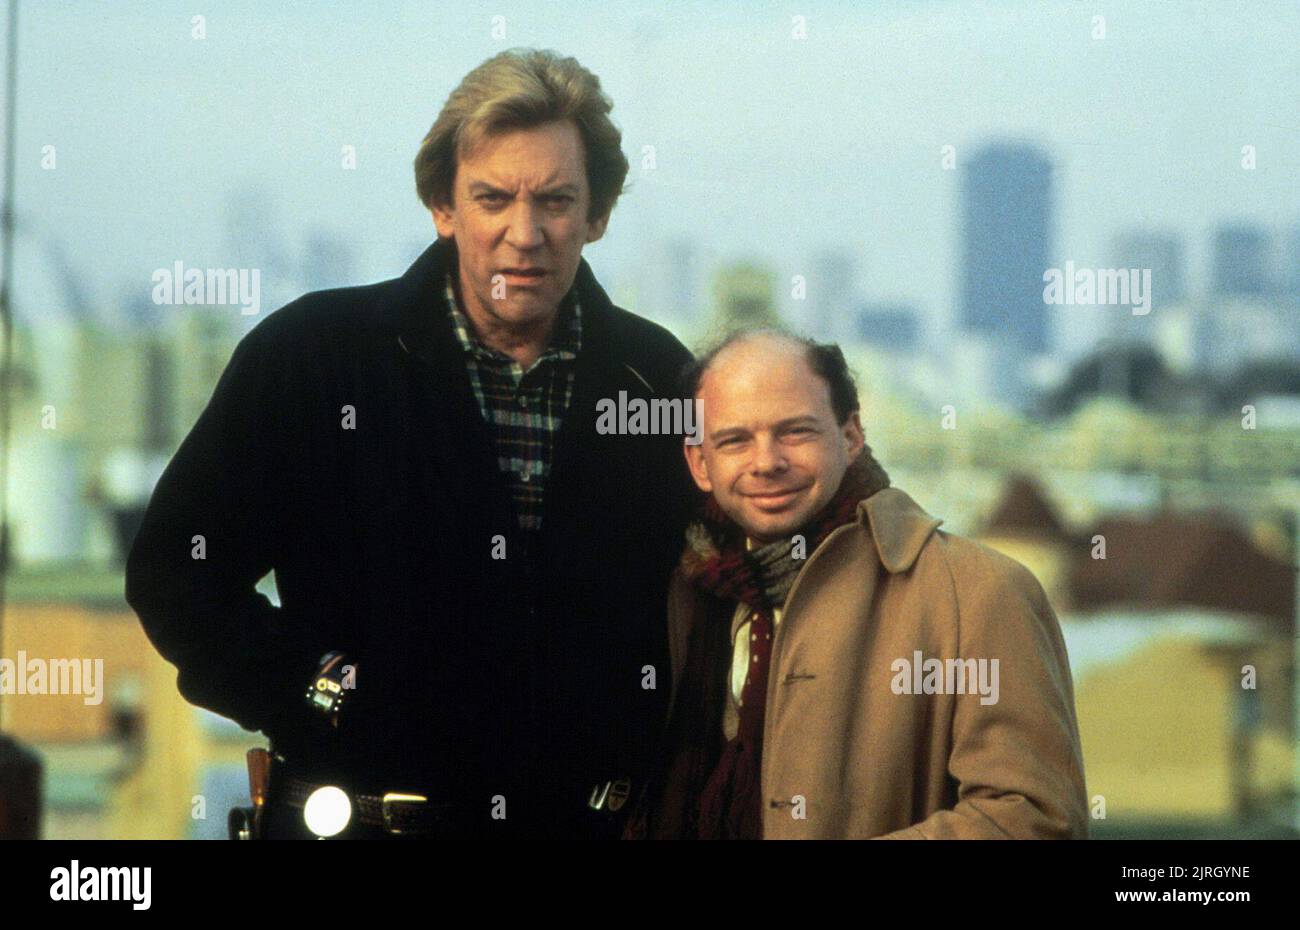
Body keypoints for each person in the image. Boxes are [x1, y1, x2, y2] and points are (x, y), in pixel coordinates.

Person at [125, 47, 695, 839]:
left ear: (597, 214)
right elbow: (176, 573)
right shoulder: (315, 357)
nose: (523, 234)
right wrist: (321, 689)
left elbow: (728, 584)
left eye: (557, 201)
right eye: (492, 197)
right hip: (357, 824)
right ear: (442, 205)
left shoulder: (656, 378)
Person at [626, 330, 1089, 839]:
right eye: (735, 439)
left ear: (850, 436)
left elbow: (1032, 818)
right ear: (699, 463)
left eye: (796, 432)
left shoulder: (980, 593)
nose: (766, 462)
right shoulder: (686, 593)